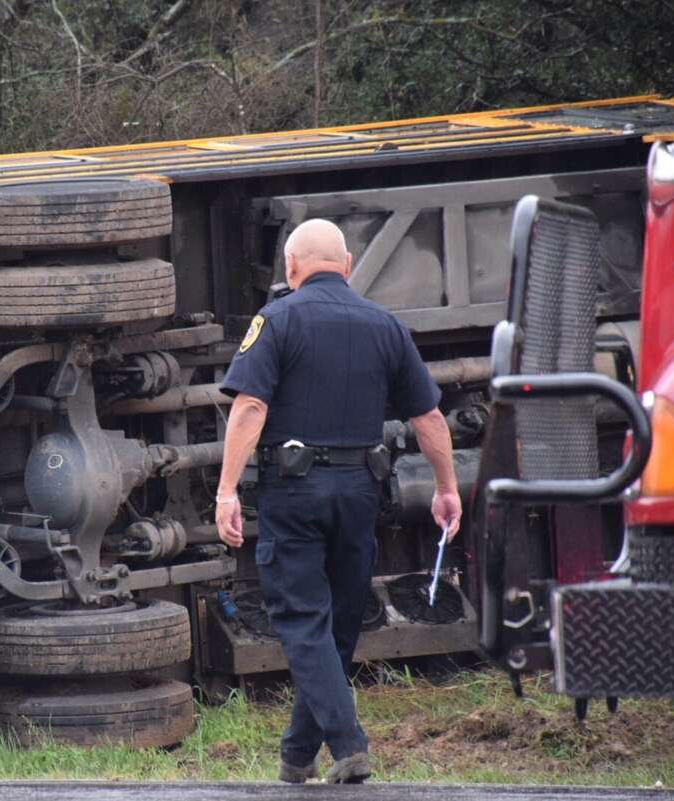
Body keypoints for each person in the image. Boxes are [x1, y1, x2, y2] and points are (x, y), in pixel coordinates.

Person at [215, 218, 460, 784]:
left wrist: (226, 490)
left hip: (296, 490)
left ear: (291, 268)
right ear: (347, 266)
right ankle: (298, 755)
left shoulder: (275, 319)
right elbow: (427, 417)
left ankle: (349, 744)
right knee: (339, 624)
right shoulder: (385, 325)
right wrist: (446, 488)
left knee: (303, 618)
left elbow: (250, 408)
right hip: (360, 490)